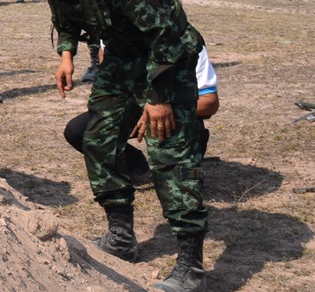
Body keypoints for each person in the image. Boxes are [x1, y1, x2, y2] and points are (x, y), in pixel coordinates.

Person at [9, 0, 208, 292]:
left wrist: (158, 97)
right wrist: (66, 54)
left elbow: (165, 32)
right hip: (123, 54)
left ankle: (192, 266)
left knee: (168, 152)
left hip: (167, 59)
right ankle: (121, 237)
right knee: (98, 137)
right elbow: (65, 19)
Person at [65, 39, 220, 184]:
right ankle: (136, 166)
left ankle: (184, 169)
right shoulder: (112, 34)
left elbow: (209, 102)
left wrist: (160, 109)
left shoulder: (184, 39)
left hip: (171, 116)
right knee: (79, 131)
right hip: (134, 110)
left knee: (179, 186)